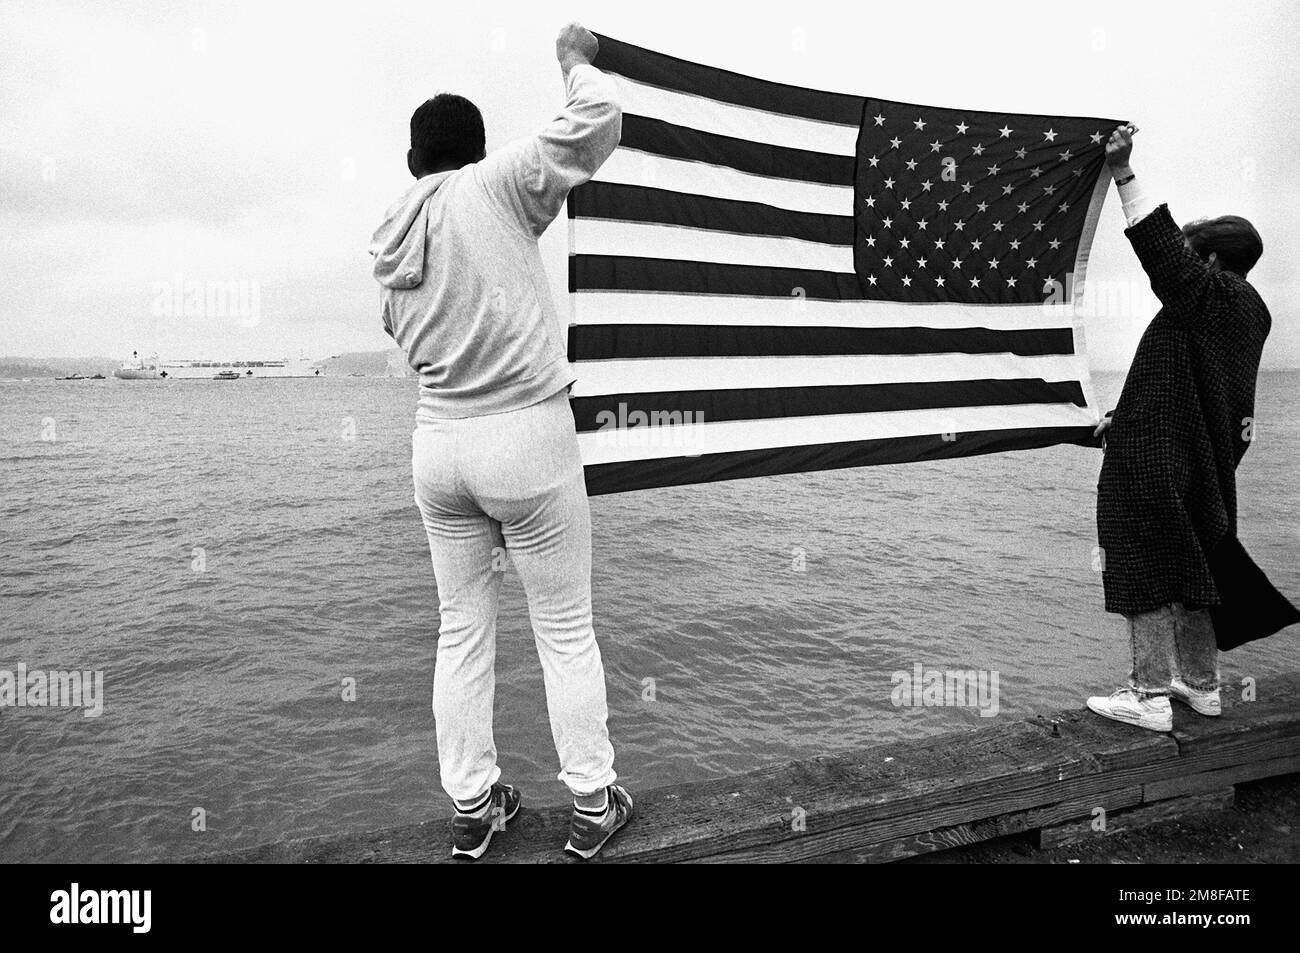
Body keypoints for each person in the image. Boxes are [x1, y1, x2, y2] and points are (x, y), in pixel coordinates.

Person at [369, 22, 633, 859]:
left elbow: (410, 343)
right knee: (563, 629)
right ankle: (593, 803)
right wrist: (572, 62)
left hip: (438, 451)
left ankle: (474, 806)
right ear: (476, 151)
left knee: (461, 630)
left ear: (415, 162)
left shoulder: (388, 244)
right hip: (524, 437)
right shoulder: (496, 186)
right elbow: (597, 122)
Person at [1086, 124, 1270, 732]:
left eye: (1193, 258)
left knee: (1142, 560)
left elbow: (1159, 248)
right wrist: (1126, 416)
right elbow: (1185, 388)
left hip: (1159, 460)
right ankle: (1201, 685)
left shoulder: (1212, 295)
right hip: (1204, 461)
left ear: (1213, 262)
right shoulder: (1249, 313)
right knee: (1195, 567)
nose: (1182, 267)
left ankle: (1147, 695)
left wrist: (1123, 172)